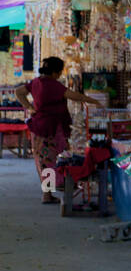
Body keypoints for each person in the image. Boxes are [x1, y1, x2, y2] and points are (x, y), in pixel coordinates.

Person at [15, 57, 100, 204]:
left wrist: (29, 108)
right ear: (55, 72)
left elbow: (18, 92)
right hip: (49, 128)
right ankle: (48, 193)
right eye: (60, 72)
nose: (60, 75)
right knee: (48, 161)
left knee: (42, 160)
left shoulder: (36, 82)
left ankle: (48, 192)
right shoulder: (53, 85)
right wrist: (94, 101)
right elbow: (75, 96)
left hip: (38, 126)